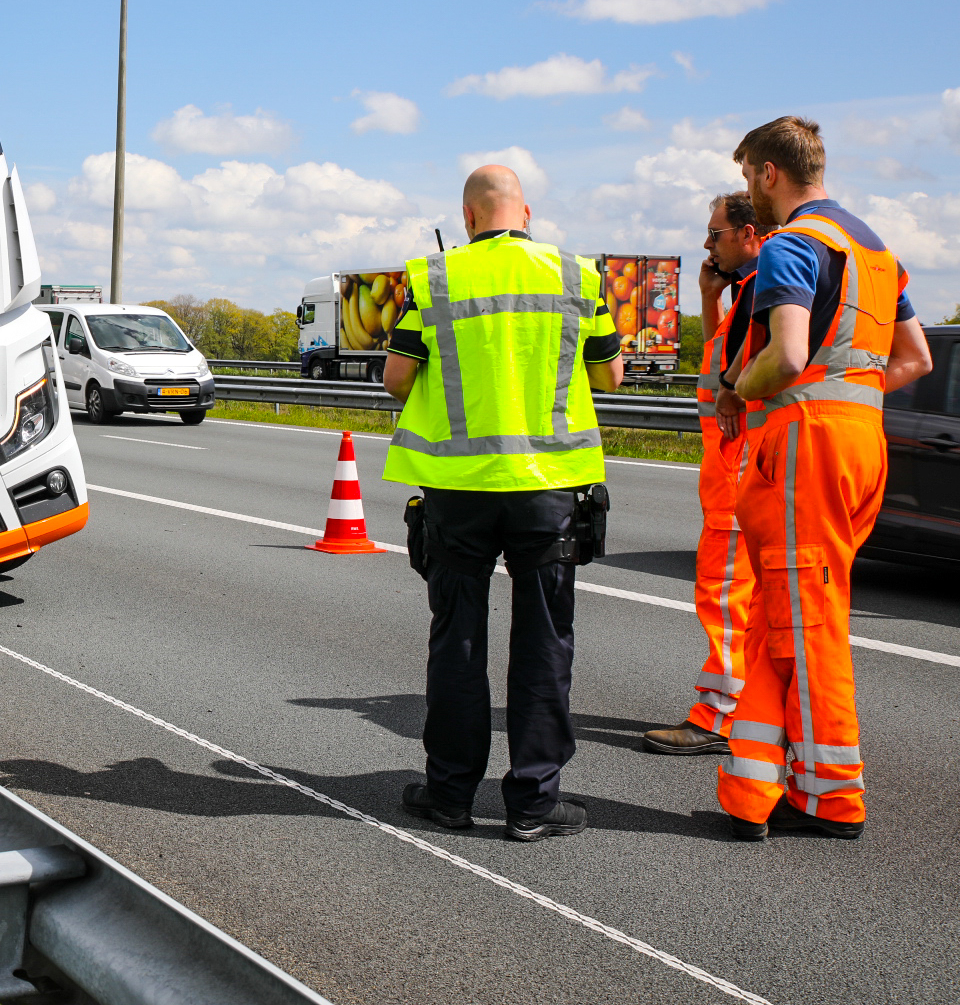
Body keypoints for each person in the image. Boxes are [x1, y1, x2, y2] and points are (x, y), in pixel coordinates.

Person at [381, 165, 623, 841]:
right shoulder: (578, 276)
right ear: (527, 211)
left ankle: (451, 795)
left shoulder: (433, 277)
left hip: (459, 488)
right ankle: (533, 807)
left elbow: (398, 378)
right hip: (548, 488)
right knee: (545, 642)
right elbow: (609, 372)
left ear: (467, 216)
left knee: (456, 640)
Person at [717, 117, 931, 841]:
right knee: (794, 612)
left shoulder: (793, 246)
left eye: (751, 178)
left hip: (805, 443)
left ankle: (832, 797)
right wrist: (852, 394)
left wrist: (741, 387)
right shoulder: (876, 252)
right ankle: (760, 790)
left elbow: (786, 354)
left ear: (770, 173)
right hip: (861, 441)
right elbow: (916, 360)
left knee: (805, 625)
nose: (752, 194)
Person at [643, 190, 763, 754]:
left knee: (726, 601)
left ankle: (719, 715)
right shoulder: (745, 298)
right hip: (735, 474)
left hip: (742, 480)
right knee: (750, 607)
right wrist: (709, 298)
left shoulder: (770, 289)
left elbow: (735, 386)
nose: (706, 243)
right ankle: (754, 710)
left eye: (714, 233)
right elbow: (719, 369)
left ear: (748, 234)